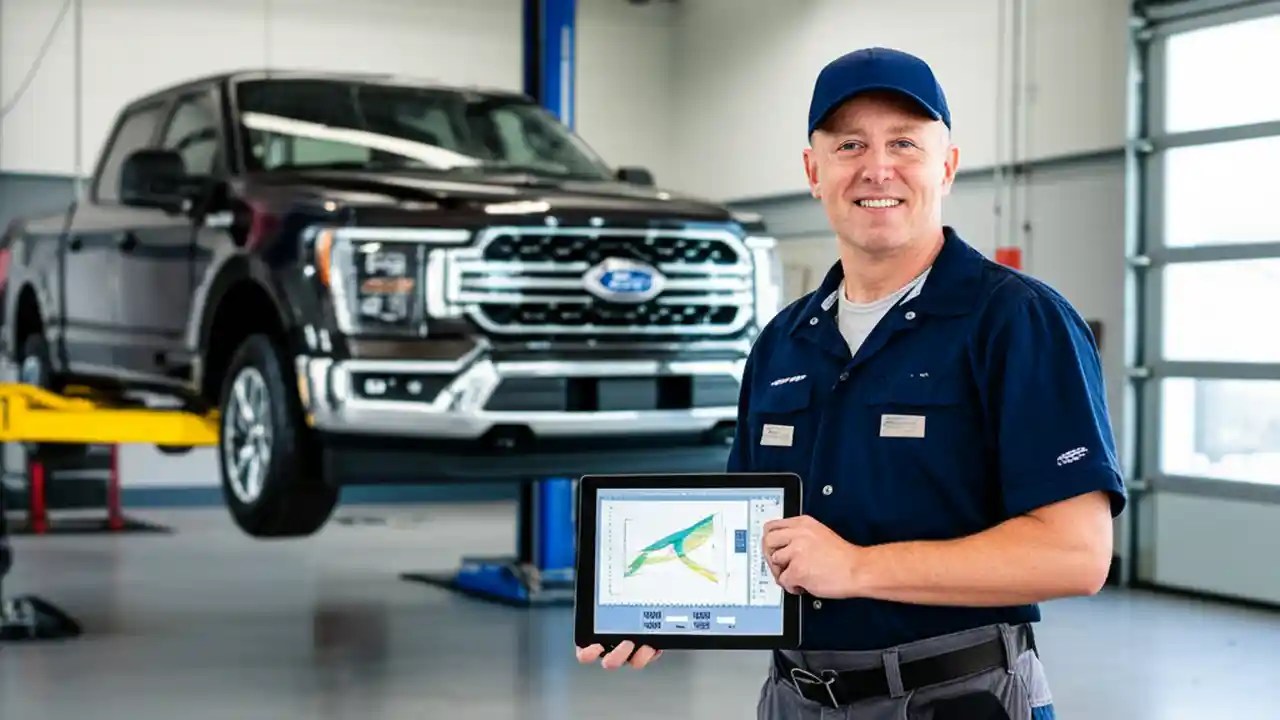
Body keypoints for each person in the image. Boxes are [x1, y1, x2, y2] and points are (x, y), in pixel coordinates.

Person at [577, 46, 1126, 719]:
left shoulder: (1017, 321)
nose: (877, 167)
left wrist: (859, 567)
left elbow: (1075, 555)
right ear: (814, 171)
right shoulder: (783, 341)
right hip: (793, 700)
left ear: (947, 165)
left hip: (960, 701)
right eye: (849, 145)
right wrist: (654, 608)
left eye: (904, 143)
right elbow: (752, 539)